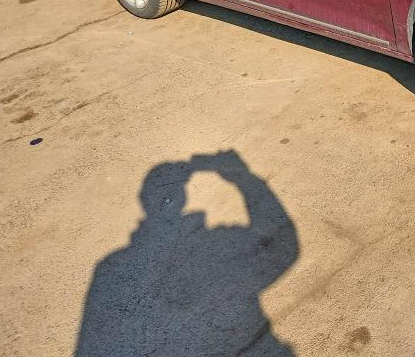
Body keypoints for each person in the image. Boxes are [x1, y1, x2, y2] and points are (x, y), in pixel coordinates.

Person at [75, 151, 299, 356]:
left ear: (146, 200)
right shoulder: (217, 244)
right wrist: (245, 179)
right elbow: (283, 246)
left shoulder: (114, 269)